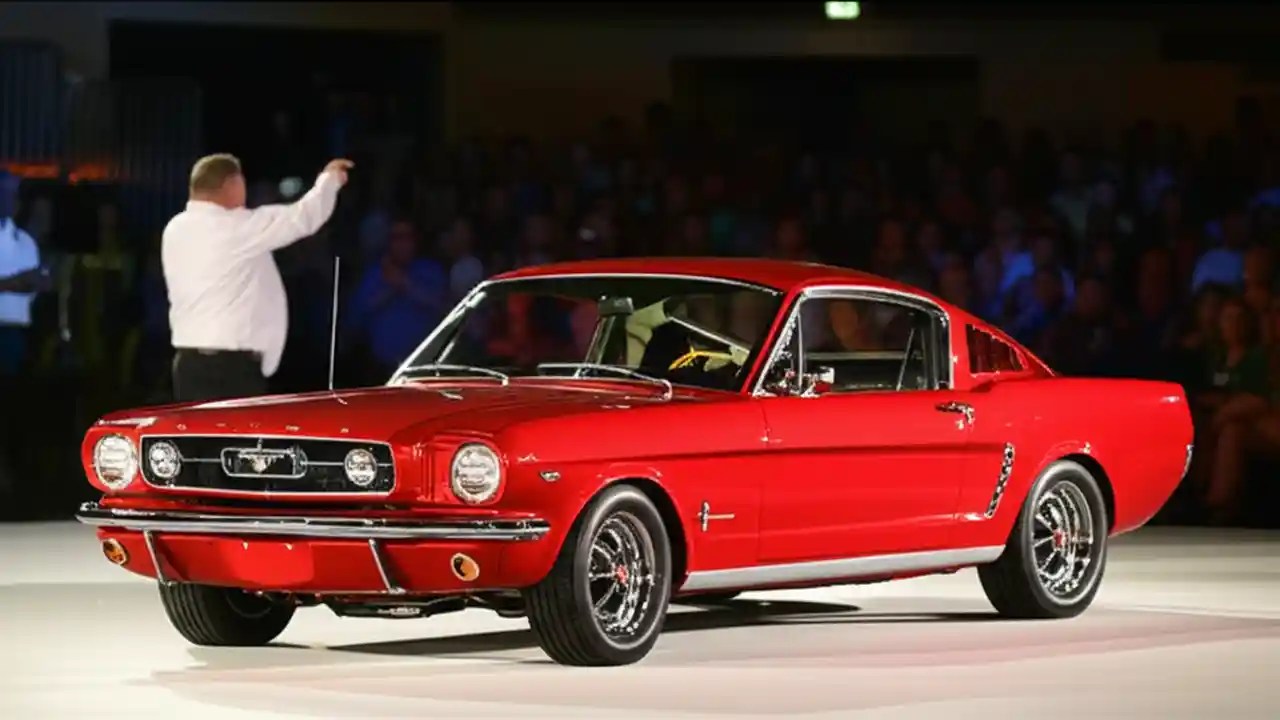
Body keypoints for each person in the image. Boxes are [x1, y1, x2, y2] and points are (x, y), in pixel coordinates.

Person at [162, 154, 352, 402]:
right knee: (233, 441)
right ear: (232, 184)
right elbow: (303, 217)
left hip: (188, 365)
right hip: (231, 368)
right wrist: (330, 179)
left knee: (197, 440)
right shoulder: (236, 227)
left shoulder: (175, 229)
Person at [0, 170, 49, 377]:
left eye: (13, 194)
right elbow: (25, 281)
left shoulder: (27, 242)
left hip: (16, 332)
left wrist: (30, 283)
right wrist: (16, 283)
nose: (9, 200)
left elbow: (35, 284)